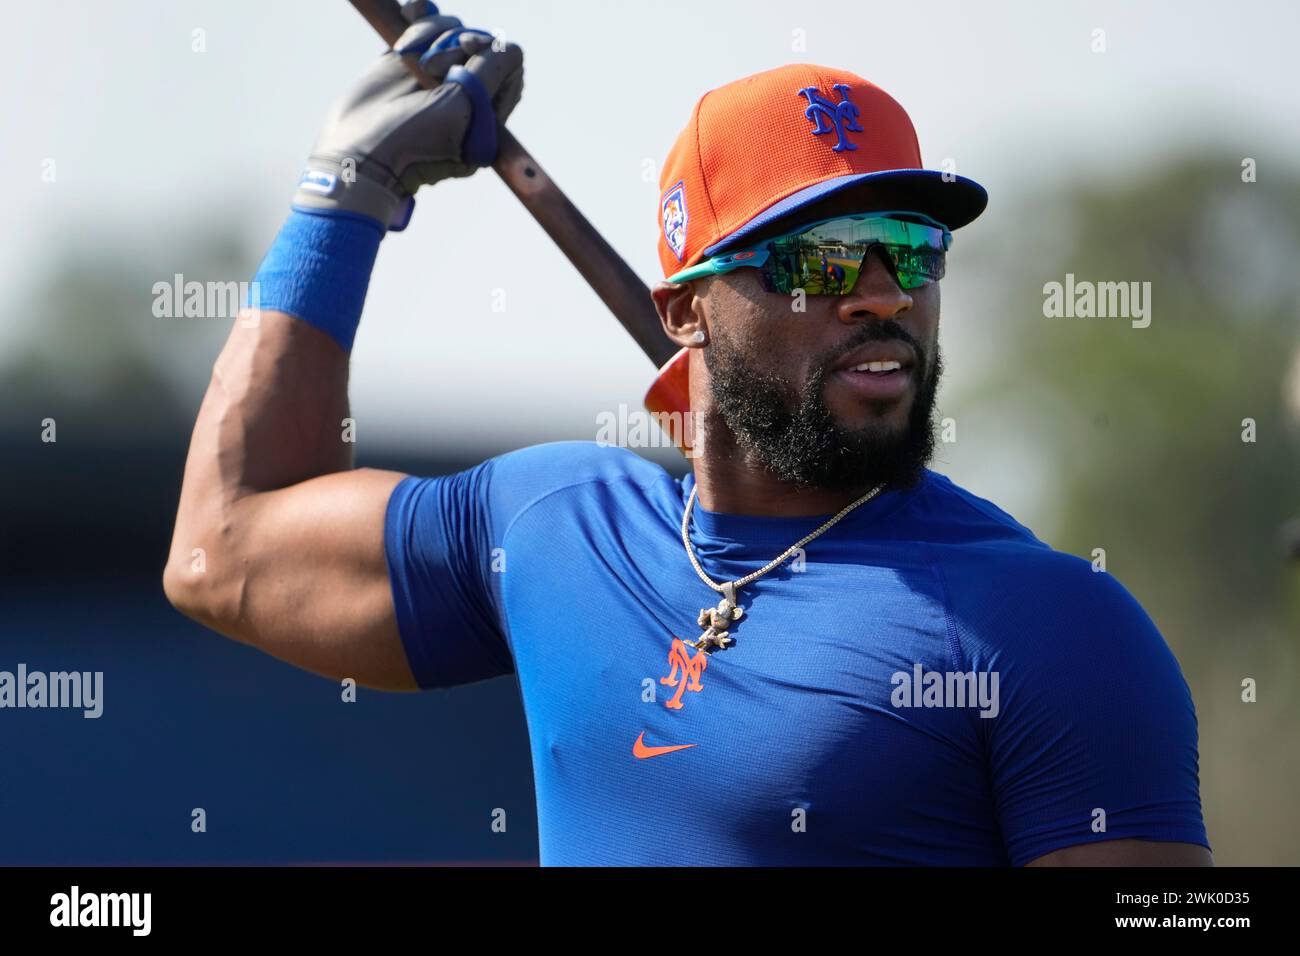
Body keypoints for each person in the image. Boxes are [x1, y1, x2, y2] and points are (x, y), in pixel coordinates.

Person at [164, 2, 1211, 866]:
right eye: (820, 259)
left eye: (909, 248)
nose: (883, 294)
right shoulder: (554, 528)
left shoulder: (1054, 628)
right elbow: (222, 549)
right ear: (685, 310)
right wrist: (343, 195)